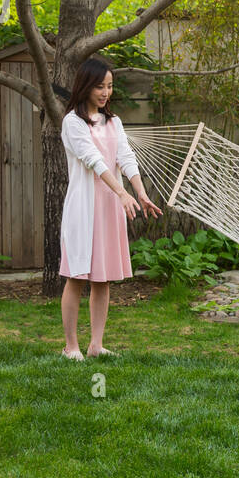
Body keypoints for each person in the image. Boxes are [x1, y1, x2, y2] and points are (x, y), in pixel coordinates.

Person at [59, 58, 162, 359]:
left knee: (102, 278)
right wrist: (121, 192)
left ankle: (96, 345)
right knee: (77, 276)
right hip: (84, 208)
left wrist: (140, 193)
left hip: (110, 208)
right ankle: (71, 346)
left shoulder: (114, 122)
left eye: (109, 86)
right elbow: (94, 161)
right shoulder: (72, 123)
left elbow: (125, 158)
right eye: (99, 86)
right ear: (85, 86)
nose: (105, 92)